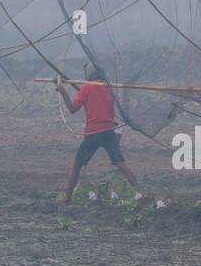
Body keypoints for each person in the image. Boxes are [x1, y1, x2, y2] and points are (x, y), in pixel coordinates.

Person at [56, 62, 142, 205]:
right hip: (109, 132)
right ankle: (139, 195)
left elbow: (72, 108)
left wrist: (62, 90)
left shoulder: (86, 88)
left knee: (77, 166)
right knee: (121, 164)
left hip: (93, 133)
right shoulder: (108, 88)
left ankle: (67, 199)